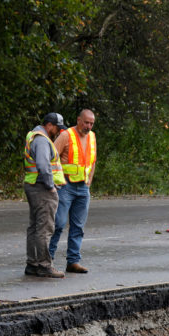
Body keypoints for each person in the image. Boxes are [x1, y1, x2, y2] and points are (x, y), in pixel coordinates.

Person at [49, 109, 97, 275]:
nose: (88, 126)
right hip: (66, 186)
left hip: (83, 188)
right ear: (78, 120)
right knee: (58, 224)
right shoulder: (66, 135)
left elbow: (93, 160)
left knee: (78, 226)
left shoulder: (92, 137)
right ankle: (47, 260)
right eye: (86, 122)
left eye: (91, 123)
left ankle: (73, 261)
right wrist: (57, 181)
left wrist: (89, 179)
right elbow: (51, 157)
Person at [24, 112, 67, 278]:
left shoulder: (34, 136)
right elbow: (43, 164)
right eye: (57, 128)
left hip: (33, 185)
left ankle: (32, 264)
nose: (58, 131)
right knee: (44, 228)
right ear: (49, 125)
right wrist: (51, 186)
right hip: (42, 188)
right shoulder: (42, 139)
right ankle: (44, 265)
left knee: (34, 227)